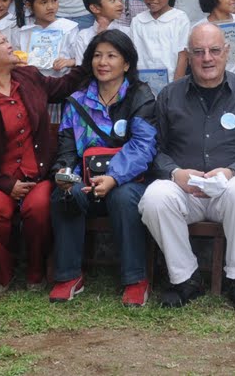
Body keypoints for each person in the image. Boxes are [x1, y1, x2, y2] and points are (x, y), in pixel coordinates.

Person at [140, 22, 235, 311]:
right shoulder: (169, 95)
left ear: (227, 52)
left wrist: (232, 170)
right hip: (185, 189)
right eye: (198, 52)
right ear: (188, 55)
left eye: (214, 50)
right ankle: (185, 279)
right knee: (155, 198)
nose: (207, 58)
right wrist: (176, 173)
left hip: (229, 188)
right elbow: (154, 150)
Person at [0, 24, 84, 294]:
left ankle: (35, 270)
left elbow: (64, 86)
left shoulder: (29, 76)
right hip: (0, 178)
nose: (9, 44)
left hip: (39, 174)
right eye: (1, 42)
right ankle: (4, 271)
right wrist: (5, 184)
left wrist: (93, 56)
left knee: (39, 208)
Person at [49, 29, 159, 307]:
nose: (103, 62)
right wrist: (64, 173)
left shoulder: (141, 97)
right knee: (66, 193)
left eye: (112, 56)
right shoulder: (77, 101)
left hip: (127, 180)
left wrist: (113, 177)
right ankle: (68, 276)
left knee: (123, 198)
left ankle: (135, 279)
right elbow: (67, 147)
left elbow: (143, 147)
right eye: (97, 55)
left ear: (127, 63)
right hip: (86, 180)